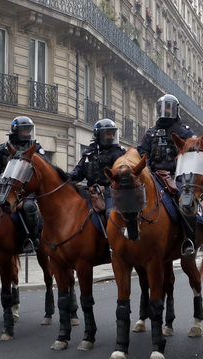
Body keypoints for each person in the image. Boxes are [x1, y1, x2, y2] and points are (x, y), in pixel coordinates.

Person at [137, 94, 196, 255]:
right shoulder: (151, 133)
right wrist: (147, 170)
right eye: (163, 107)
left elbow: (193, 154)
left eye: (169, 107)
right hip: (154, 176)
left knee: (186, 203)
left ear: (176, 110)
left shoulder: (185, 132)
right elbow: (142, 153)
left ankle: (188, 240)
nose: (166, 110)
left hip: (178, 176)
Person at [0, 116, 45, 249]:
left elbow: (43, 164)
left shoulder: (35, 148)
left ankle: (32, 238)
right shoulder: (4, 148)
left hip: (27, 187)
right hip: (7, 185)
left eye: (28, 130)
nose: (27, 133)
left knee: (29, 206)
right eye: (24, 130)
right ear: (16, 131)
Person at [68, 119, 126, 222]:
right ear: (98, 134)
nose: (111, 137)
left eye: (112, 134)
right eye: (108, 134)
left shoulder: (118, 153)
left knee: (110, 215)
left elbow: (122, 177)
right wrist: (65, 177)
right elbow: (79, 171)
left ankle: (113, 237)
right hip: (90, 191)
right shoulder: (89, 152)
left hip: (110, 191)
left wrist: (106, 187)